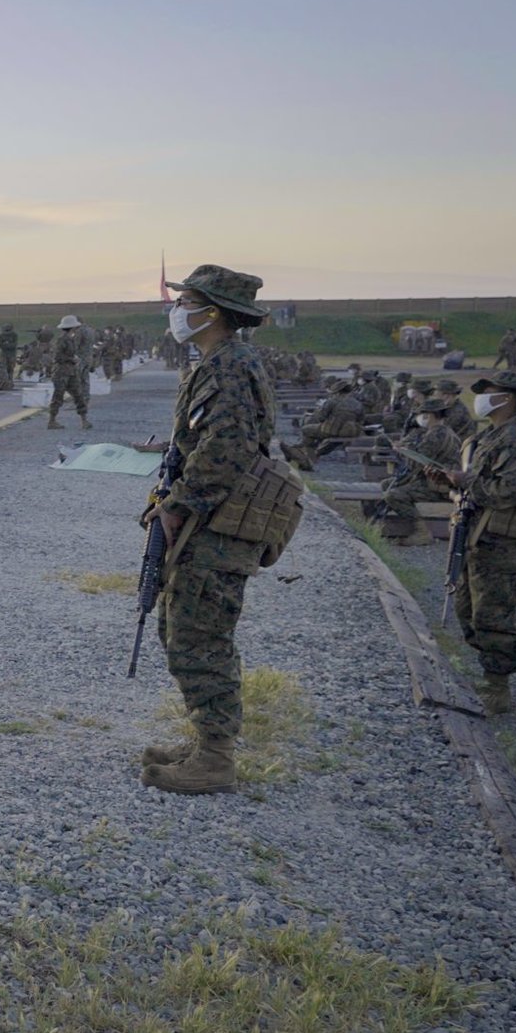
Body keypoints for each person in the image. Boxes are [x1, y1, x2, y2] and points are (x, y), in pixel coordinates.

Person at [140, 265, 279, 795]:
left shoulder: (229, 366)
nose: (177, 310)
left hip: (217, 520)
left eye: (187, 301)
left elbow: (228, 449)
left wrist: (179, 503)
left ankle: (216, 758)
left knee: (200, 636)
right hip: (210, 516)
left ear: (212, 312)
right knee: (182, 630)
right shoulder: (219, 362)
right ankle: (207, 740)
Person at [428, 372, 516, 715]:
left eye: (490, 392)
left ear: (508, 398)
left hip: (502, 543)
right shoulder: (491, 436)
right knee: (468, 612)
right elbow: (481, 484)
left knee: (493, 616)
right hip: (478, 536)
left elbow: (514, 491)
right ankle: (490, 674)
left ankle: (497, 688)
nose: (482, 397)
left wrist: (467, 482)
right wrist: (450, 482)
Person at [377, 395, 463, 546]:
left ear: (430, 415)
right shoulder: (445, 431)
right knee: (387, 484)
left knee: (393, 494)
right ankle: (388, 523)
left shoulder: (436, 434)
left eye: (423, 414)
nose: (420, 418)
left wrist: (403, 450)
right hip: (439, 481)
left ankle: (422, 532)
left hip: (438, 486)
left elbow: (417, 463)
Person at [283, 380, 364, 470]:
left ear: (337, 392)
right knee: (327, 439)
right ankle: (309, 453)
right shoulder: (357, 404)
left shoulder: (333, 401)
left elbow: (321, 418)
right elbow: (361, 419)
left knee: (306, 429)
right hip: (349, 432)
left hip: (331, 431)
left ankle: (305, 454)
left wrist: (319, 410)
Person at [45, 314, 92, 430]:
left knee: (78, 395)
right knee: (58, 397)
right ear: (72, 328)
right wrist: (72, 359)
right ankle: (52, 421)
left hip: (70, 372)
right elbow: (57, 357)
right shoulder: (62, 340)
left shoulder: (70, 339)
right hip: (61, 372)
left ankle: (84, 420)